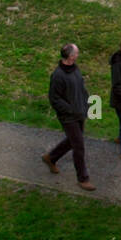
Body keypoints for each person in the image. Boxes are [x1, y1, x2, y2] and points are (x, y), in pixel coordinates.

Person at [43, 43, 95, 191]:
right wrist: (70, 109)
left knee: (73, 141)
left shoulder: (75, 70)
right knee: (79, 145)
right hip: (68, 117)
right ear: (71, 56)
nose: (78, 55)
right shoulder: (58, 75)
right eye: (77, 53)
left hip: (80, 113)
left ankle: (51, 157)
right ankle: (83, 179)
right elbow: (54, 99)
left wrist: (87, 104)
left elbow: (81, 88)